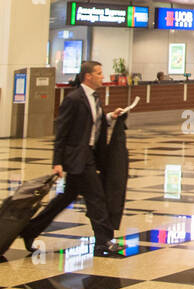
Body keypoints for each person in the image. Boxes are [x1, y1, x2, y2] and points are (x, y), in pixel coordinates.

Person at [21, 61, 125, 258]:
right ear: (88, 76)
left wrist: (110, 116)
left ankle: (30, 230)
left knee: (64, 199)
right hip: (79, 157)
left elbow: (95, 122)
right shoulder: (74, 99)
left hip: (89, 155)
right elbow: (62, 132)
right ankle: (103, 242)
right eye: (99, 73)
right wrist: (57, 162)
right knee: (96, 197)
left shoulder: (94, 97)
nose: (103, 76)